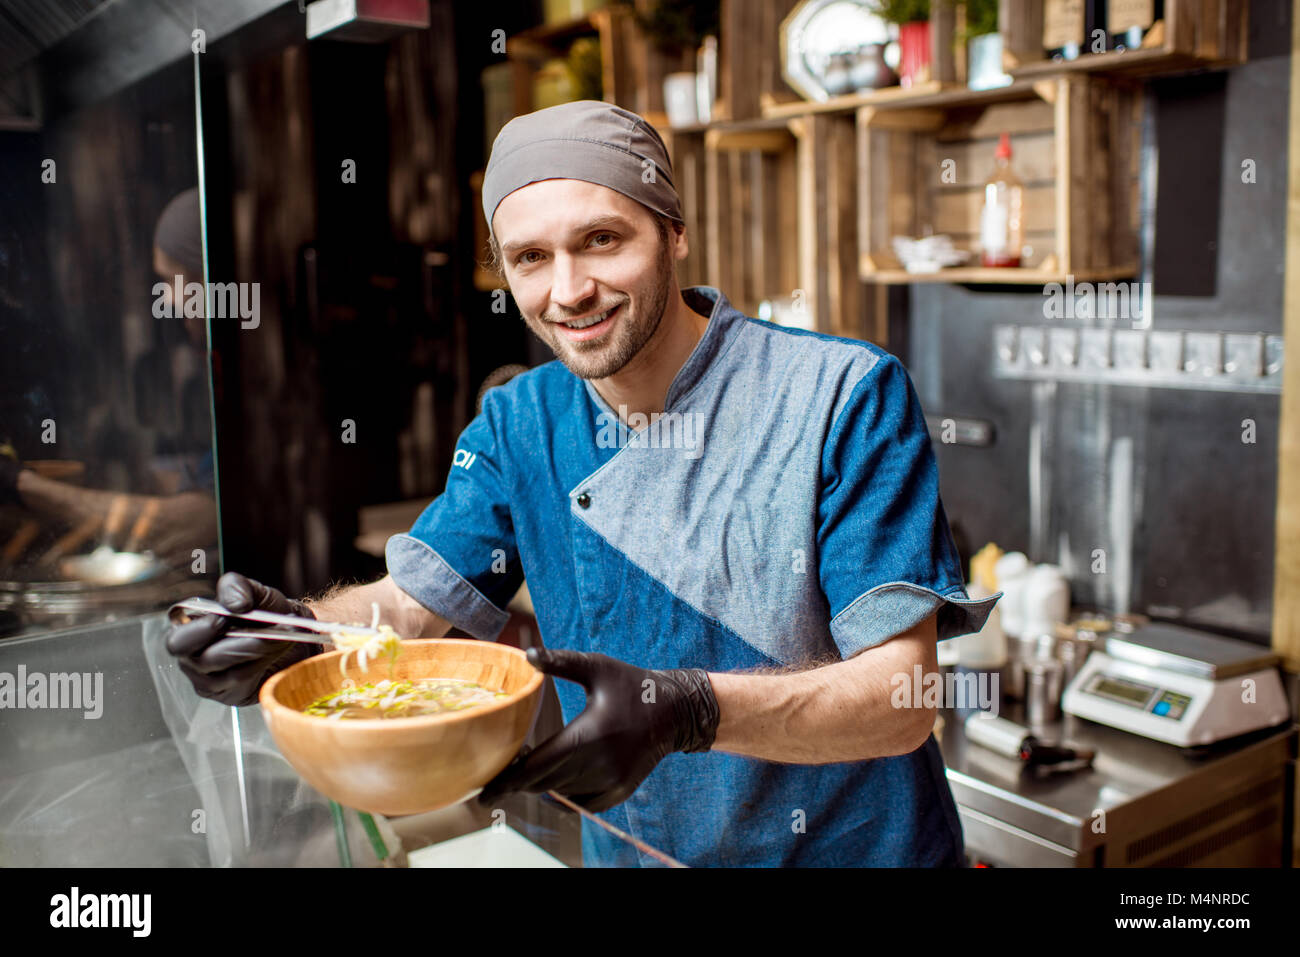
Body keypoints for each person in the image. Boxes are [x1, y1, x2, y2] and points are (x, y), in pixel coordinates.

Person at [166, 101, 997, 867]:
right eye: (531, 257)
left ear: (673, 231)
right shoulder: (518, 421)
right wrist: (297, 629)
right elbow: (415, 602)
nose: (568, 291)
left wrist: (689, 709)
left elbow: (901, 697)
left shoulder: (841, 395)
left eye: (601, 240)